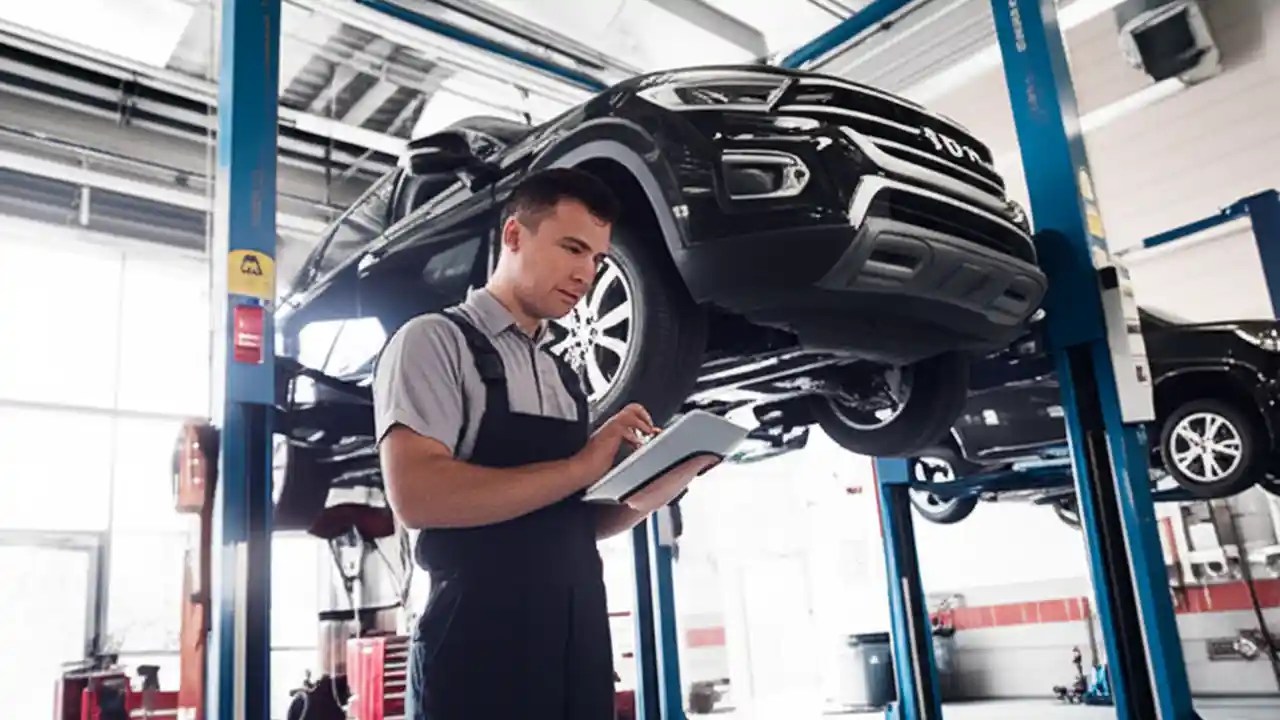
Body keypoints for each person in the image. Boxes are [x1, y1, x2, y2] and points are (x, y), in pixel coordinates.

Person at [373, 167, 668, 719]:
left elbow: (572, 517)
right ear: (514, 236)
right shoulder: (435, 341)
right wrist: (585, 463)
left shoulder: (564, 374)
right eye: (572, 248)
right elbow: (418, 496)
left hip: (576, 643)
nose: (586, 274)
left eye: (598, 260)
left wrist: (652, 486)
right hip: (478, 651)